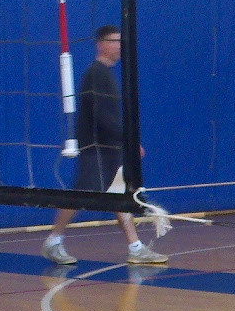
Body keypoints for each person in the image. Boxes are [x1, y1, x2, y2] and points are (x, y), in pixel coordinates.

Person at [44, 26, 166, 267]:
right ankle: (53, 241)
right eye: (114, 41)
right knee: (82, 194)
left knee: (118, 194)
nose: (119, 46)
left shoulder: (106, 74)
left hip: (109, 148)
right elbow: (102, 117)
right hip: (96, 147)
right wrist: (128, 142)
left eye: (121, 41)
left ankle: (135, 247)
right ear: (101, 44)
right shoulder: (96, 74)